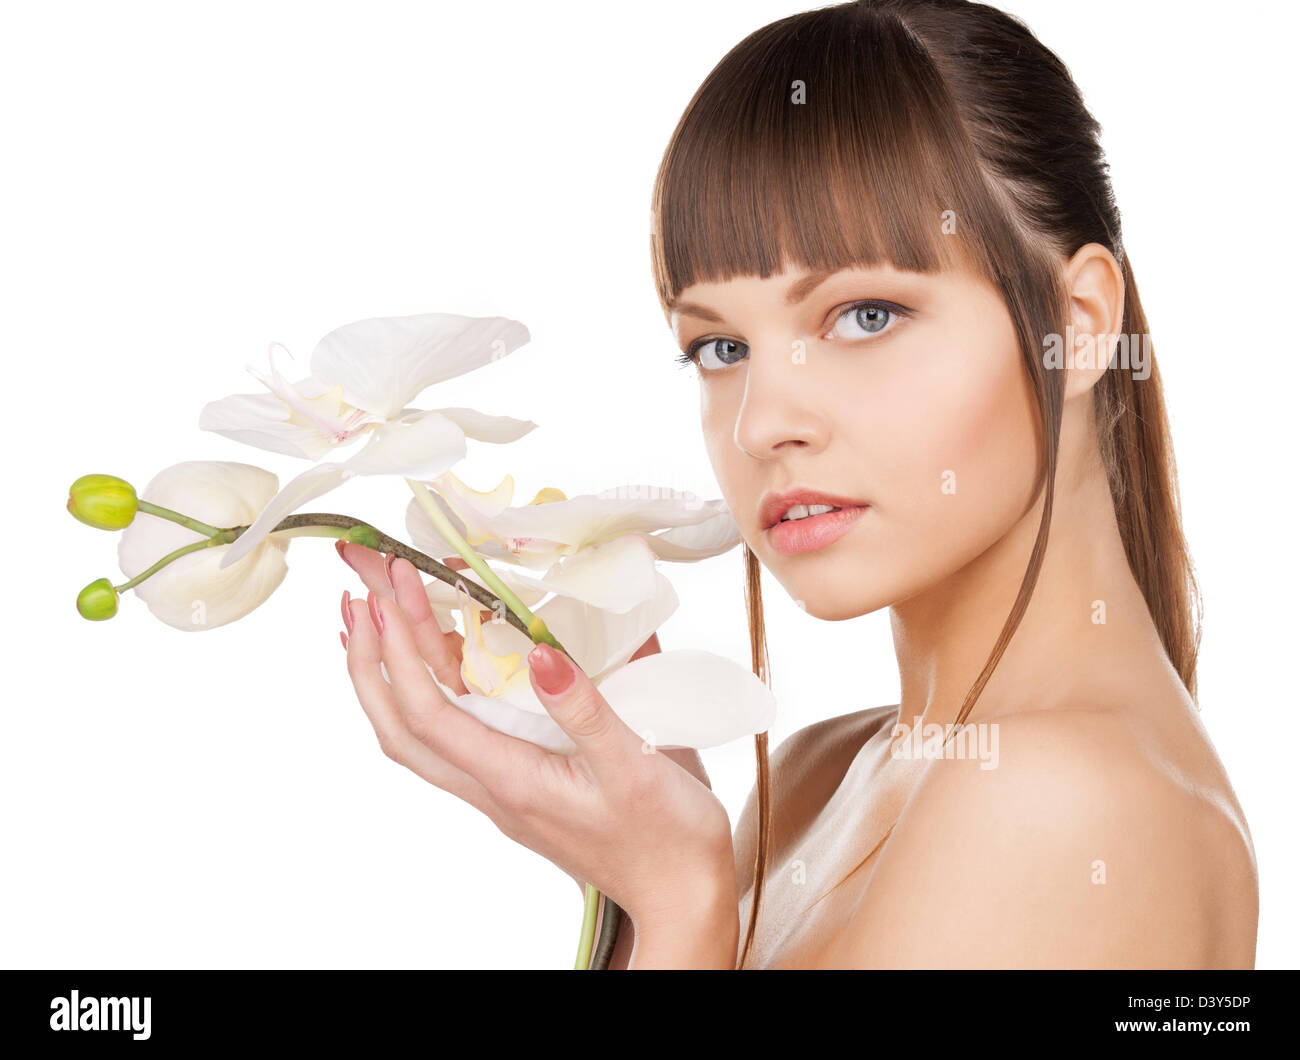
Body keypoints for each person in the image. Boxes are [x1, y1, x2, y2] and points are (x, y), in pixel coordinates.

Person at [336, 0, 1258, 969]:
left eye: (863, 315)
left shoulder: (1060, 802)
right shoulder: (824, 774)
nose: (763, 421)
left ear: (1075, 324)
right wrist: (622, 868)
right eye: (721, 346)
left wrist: (678, 900)